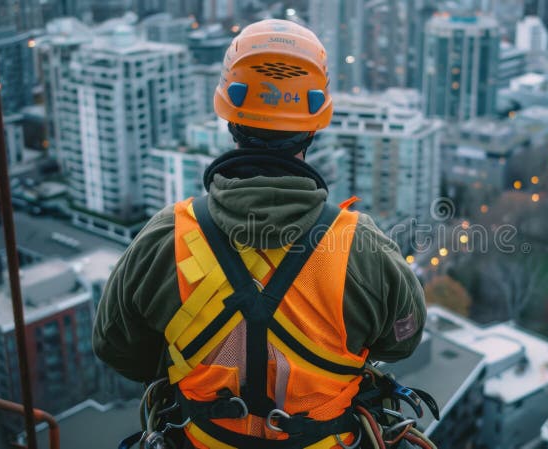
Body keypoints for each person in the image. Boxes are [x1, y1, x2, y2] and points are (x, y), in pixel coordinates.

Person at [92, 19, 426, 449]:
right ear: (315, 123)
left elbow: (116, 347)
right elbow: (404, 338)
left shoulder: (164, 240)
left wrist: (196, 365)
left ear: (229, 115)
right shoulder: (362, 249)